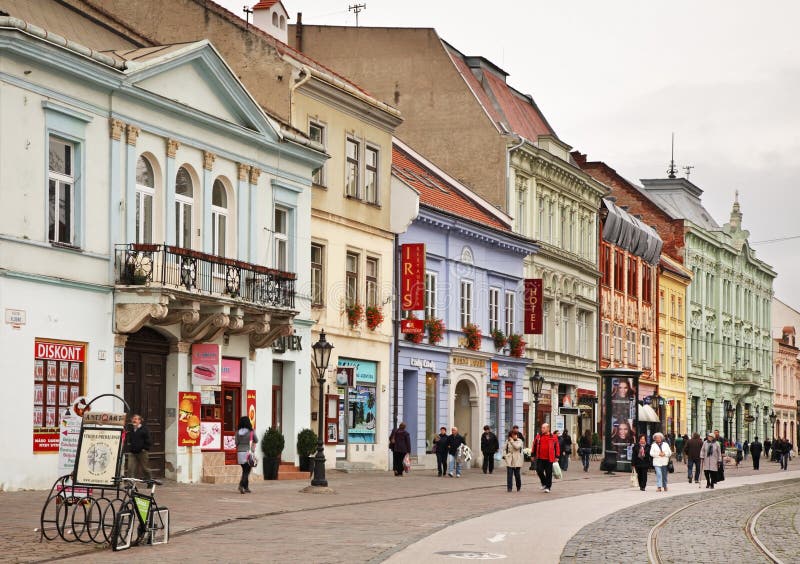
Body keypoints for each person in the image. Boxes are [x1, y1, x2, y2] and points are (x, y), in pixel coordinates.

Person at [532, 423, 560, 493]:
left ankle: (548, 487)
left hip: (549, 458)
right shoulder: (538, 436)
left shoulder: (553, 436)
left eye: (544, 428)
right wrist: (533, 454)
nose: (542, 429)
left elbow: (557, 447)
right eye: (542, 428)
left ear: (548, 429)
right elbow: (534, 445)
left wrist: (557, 456)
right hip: (540, 457)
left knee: (548, 473)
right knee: (539, 470)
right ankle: (544, 483)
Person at [125, 414, 153, 481]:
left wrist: (144, 448)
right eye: (133, 419)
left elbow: (149, 440)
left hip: (142, 452)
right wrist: (129, 446)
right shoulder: (131, 429)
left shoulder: (144, 429)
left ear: (140, 421)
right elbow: (130, 440)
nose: (134, 420)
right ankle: (130, 484)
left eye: (136, 419)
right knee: (130, 469)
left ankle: (150, 481)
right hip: (132, 452)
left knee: (144, 468)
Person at [235, 416, 257, 493]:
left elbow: (236, 443)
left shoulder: (237, 432)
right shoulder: (251, 432)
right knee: (247, 471)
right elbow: (256, 440)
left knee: (245, 470)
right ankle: (241, 485)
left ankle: (246, 487)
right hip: (248, 453)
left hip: (240, 453)